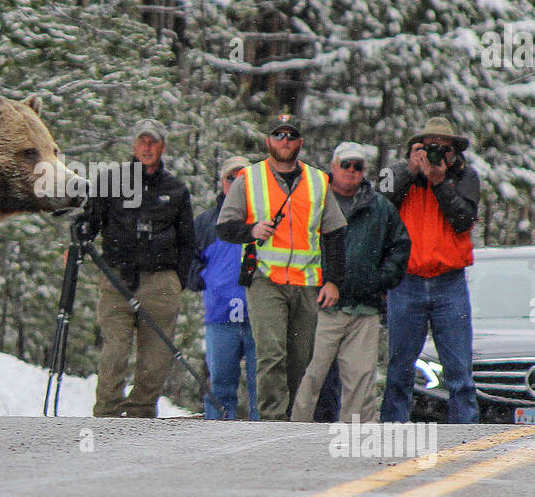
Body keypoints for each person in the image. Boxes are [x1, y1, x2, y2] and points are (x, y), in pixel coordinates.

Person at [216, 112, 347, 421]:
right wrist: (250, 230)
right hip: (265, 278)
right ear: (268, 141)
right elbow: (224, 226)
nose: (284, 141)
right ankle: (271, 420)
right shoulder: (249, 178)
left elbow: (335, 233)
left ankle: (292, 420)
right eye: (279, 135)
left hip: (306, 281)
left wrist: (333, 281)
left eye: (290, 136)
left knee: (301, 360)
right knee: (272, 354)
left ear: (300, 142)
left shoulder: (318, 180)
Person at [80, 119, 196, 418]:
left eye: (153, 142)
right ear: (133, 145)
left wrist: (176, 281)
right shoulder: (110, 181)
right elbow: (89, 223)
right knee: (115, 349)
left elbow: (188, 240)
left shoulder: (176, 190)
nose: (147, 147)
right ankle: (106, 411)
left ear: (162, 147)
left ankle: (141, 413)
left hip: (160, 281)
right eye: (142, 141)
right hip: (117, 277)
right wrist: (80, 232)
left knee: (156, 357)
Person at [291, 142, 410, 423]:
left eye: (358, 166)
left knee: (361, 381)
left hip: (364, 308)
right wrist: (312, 282)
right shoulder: (313, 201)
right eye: (346, 164)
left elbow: (400, 246)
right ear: (333, 167)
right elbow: (295, 241)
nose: (352, 171)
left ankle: (357, 443)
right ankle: (292, 433)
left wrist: (379, 280)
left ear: (365, 171)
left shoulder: (380, 207)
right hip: (320, 306)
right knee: (309, 375)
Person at [380, 117, 481, 423]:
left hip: (448, 282)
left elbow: (463, 220)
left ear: (455, 153)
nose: (437, 154)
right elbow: (378, 207)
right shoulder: (397, 173)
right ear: (416, 149)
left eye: (444, 148)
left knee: (459, 370)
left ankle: (465, 435)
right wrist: (409, 172)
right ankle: (392, 433)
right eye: (430, 147)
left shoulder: (466, 177)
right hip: (406, 281)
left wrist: (439, 183)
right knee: (399, 367)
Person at [189, 156, 257, 420]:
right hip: (220, 316)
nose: (237, 183)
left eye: (243, 178)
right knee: (220, 388)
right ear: (222, 183)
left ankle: (262, 442)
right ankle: (215, 440)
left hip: (258, 317)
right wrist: (201, 277)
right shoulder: (206, 222)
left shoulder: (263, 218)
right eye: (232, 178)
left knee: (260, 387)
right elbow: (189, 259)